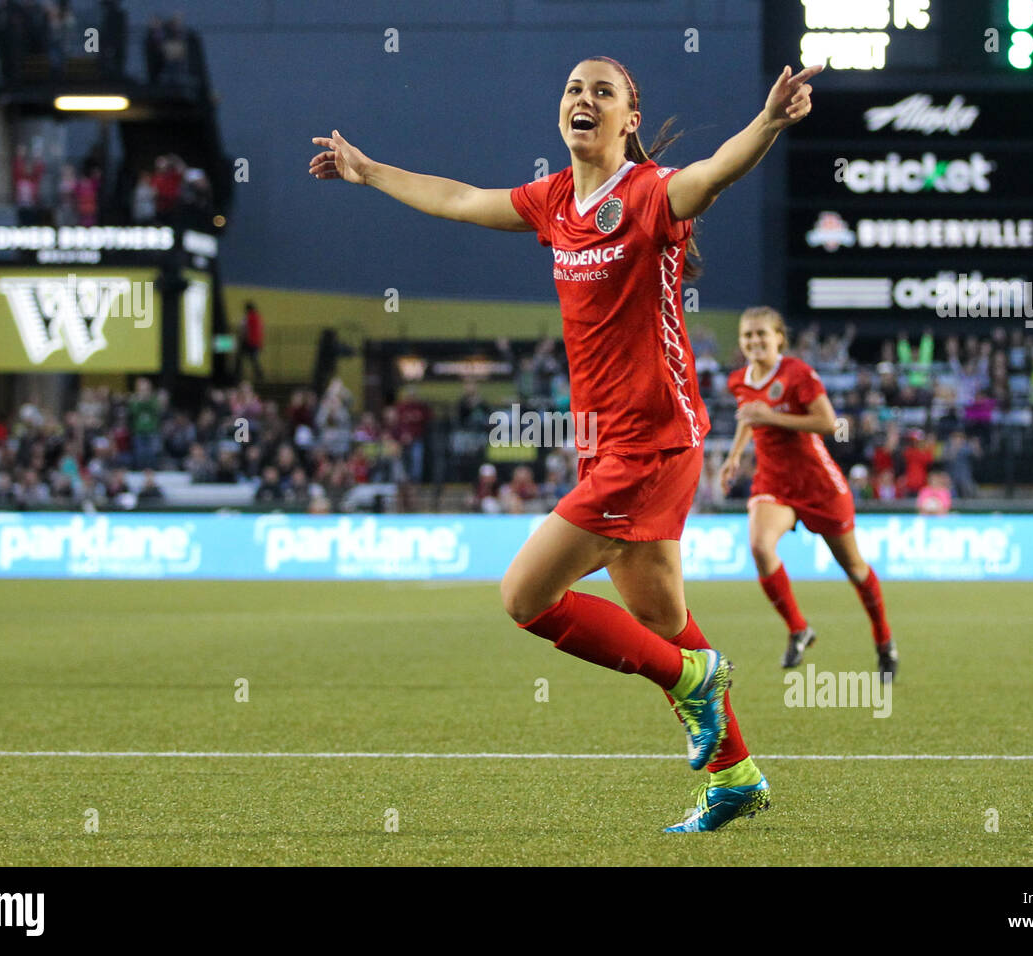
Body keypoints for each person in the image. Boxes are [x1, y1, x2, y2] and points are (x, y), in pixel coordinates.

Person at [310, 55, 822, 832]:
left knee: (525, 596)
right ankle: (737, 776)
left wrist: (770, 122)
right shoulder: (554, 200)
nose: (583, 100)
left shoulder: (649, 196)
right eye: (573, 90)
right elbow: (459, 199)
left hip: (650, 447)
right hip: (606, 446)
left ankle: (696, 681)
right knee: (659, 616)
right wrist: (366, 169)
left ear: (630, 119)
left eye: (602, 92)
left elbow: (714, 174)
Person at [720, 307, 898, 681]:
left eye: (761, 334)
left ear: (779, 338)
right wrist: (735, 456)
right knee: (760, 547)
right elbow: (749, 418)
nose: (754, 341)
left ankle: (884, 640)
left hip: (818, 485)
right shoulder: (739, 380)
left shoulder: (797, 373)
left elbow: (830, 423)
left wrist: (772, 416)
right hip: (773, 483)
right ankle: (799, 628)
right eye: (747, 335)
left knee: (854, 568)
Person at [236, 301, 265, 383]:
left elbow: (243, 328)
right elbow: (260, 329)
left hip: (248, 341)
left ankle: (237, 373)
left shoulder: (247, 317)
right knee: (254, 359)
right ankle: (259, 374)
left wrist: (241, 337)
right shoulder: (257, 317)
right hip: (256, 342)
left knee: (240, 357)